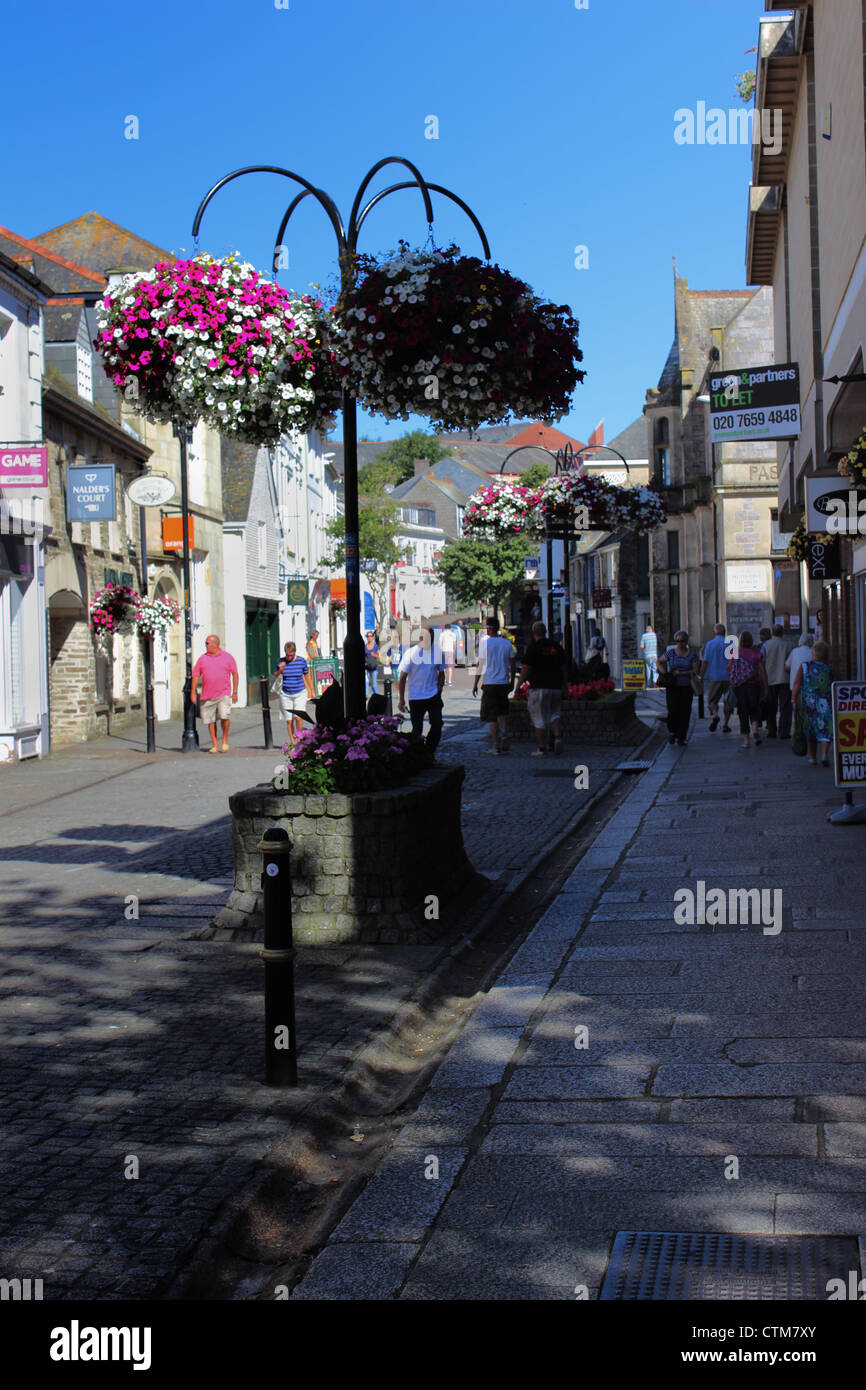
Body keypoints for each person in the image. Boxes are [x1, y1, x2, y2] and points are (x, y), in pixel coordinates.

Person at [517, 620, 567, 757]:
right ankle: (557, 738)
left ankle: (542, 747)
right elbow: (564, 668)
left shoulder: (533, 648)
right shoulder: (556, 647)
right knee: (554, 713)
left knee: (538, 717)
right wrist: (565, 685)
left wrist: (517, 686)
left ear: (534, 633)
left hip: (539, 687)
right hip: (556, 687)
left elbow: (526, 668)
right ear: (545, 632)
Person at [473, 615, 517, 755]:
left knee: (491, 716)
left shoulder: (485, 645)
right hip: (503, 682)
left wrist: (475, 684)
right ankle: (504, 736)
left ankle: (495, 745)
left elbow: (480, 666)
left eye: (486, 627)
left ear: (490, 629)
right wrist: (512, 681)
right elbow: (512, 664)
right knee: (502, 712)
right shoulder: (506, 644)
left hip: (490, 683)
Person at [397, 627, 444, 754]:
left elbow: (441, 672)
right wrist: (401, 699)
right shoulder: (411, 653)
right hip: (416, 696)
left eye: (432, 635)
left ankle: (429, 749)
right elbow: (402, 677)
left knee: (437, 724)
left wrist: (439, 688)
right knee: (417, 728)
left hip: (433, 695)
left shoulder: (437, 652)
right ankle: (417, 754)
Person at [191, 634, 238, 754]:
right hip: (207, 695)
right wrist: (193, 692)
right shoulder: (202, 659)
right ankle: (214, 744)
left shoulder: (227, 657)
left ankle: (225, 740)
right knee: (210, 720)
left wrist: (235, 692)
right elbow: (196, 675)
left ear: (215, 644)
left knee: (224, 716)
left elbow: (235, 674)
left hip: (224, 693)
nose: (205, 645)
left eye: (207, 643)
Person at [792, 639, 833, 766]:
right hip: (826, 704)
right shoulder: (830, 668)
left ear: (814, 653)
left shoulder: (805, 666)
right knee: (826, 729)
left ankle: (812, 757)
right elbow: (836, 684)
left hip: (809, 704)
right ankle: (825, 755)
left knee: (811, 730)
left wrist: (794, 698)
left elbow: (797, 683)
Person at [658, 629, 701, 746]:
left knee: (685, 712)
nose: (679, 643)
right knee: (672, 711)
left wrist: (682, 673)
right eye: (677, 641)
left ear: (686, 641)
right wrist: (664, 672)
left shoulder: (692, 654)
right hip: (673, 686)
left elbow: (696, 670)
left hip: (686, 687)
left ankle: (681, 736)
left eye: (682, 641)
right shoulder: (671, 653)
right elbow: (659, 661)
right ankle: (672, 732)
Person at [727, 630, 766, 749]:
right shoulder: (756, 653)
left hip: (740, 686)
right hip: (754, 685)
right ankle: (755, 730)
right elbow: (762, 670)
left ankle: (746, 741)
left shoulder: (735, 652)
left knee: (743, 711)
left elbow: (729, 667)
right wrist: (765, 686)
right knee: (754, 708)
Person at [275, 641, 314, 746]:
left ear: (294, 653)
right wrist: (280, 669)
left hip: (300, 692)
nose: (289, 657)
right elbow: (275, 675)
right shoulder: (281, 661)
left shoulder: (301, 661)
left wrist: (312, 690)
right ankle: (293, 743)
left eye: (291, 655)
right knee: (289, 720)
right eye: (287, 655)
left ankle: (299, 740)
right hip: (286, 694)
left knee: (298, 717)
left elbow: (307, 675)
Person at [699, 622, 734, 732]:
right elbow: (735, 661)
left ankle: (715, 715)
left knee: (712, 700)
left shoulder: (709, 644)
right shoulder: (731, 643)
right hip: (729, 677)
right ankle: (725, 724)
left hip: (714, 676)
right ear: (725, 632)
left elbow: (705, 662)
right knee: (728, 701)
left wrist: (701, 675)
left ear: (714, 633)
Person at [761, 623, 791, 739]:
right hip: (784, 678)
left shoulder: (766, 645)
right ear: (782, 633)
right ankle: (784, 731)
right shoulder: (788, 645)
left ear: (772, 633)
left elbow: (761, 662)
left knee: (770, 706)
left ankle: (771, 730)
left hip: (770, 679)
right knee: (785, 707)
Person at [785, 629, 813, 730]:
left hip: (795, 684)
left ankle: (799, 729)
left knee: (797, 709)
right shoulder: (813, 652)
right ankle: (809, 728)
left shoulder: (795, 651)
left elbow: (787, 666)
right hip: (810, 685)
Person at [639, 622, 659, 688]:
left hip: (647, 655)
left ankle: (648, 683)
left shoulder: (644, 636)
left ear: (646, 630)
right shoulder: (655, 635)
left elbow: (641, 646)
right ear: (652, 630)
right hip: (654, 655)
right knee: (655, 669)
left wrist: (645, 646)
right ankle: (655, 682)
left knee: (648, 669)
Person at [364, 630, 380, 698]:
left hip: (374, 667)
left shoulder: (376, 646)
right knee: (366, 682)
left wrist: (374, 655)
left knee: (374, 683)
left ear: (373, 637)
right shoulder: (364, 646)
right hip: (366, 667)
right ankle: (366, 695)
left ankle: (375, 696)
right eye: (368, 636)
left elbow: (379, 656)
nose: (369, 638)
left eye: (371, 636)